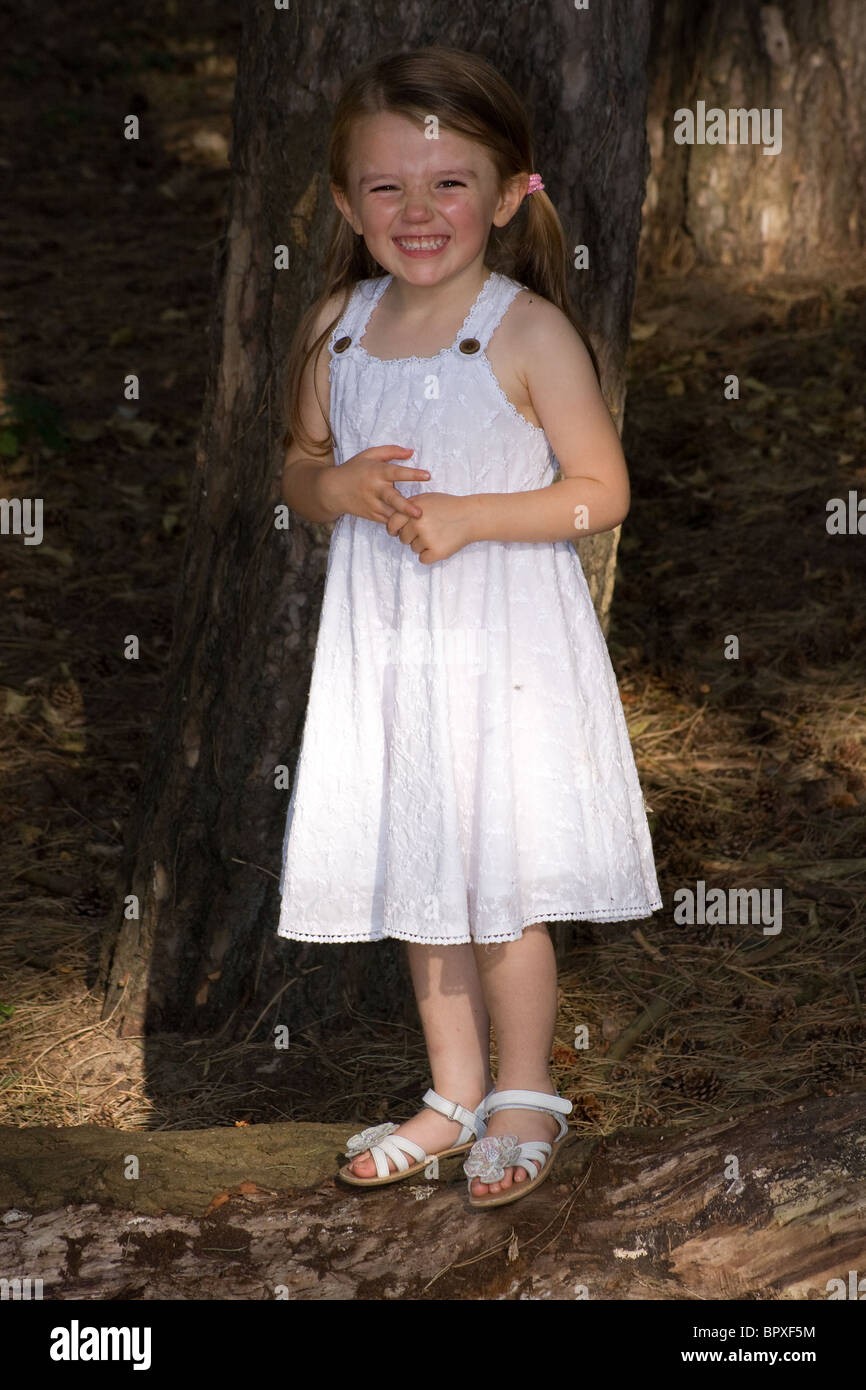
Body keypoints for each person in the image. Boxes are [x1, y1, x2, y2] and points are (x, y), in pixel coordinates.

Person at [277, 46, 662, 1209]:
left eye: (449, 184)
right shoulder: (335, 325)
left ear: (506, 195)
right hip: (386, 652)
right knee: (420, 871)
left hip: (502, 655)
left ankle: (524, 1088)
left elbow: (602, 489)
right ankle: (450, 1091)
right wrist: (332, 489)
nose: (417, 211)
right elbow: (298, 466)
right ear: (346, 205)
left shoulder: (525, 331)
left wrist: (472, 516)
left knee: (500, 883)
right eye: (386, 187)